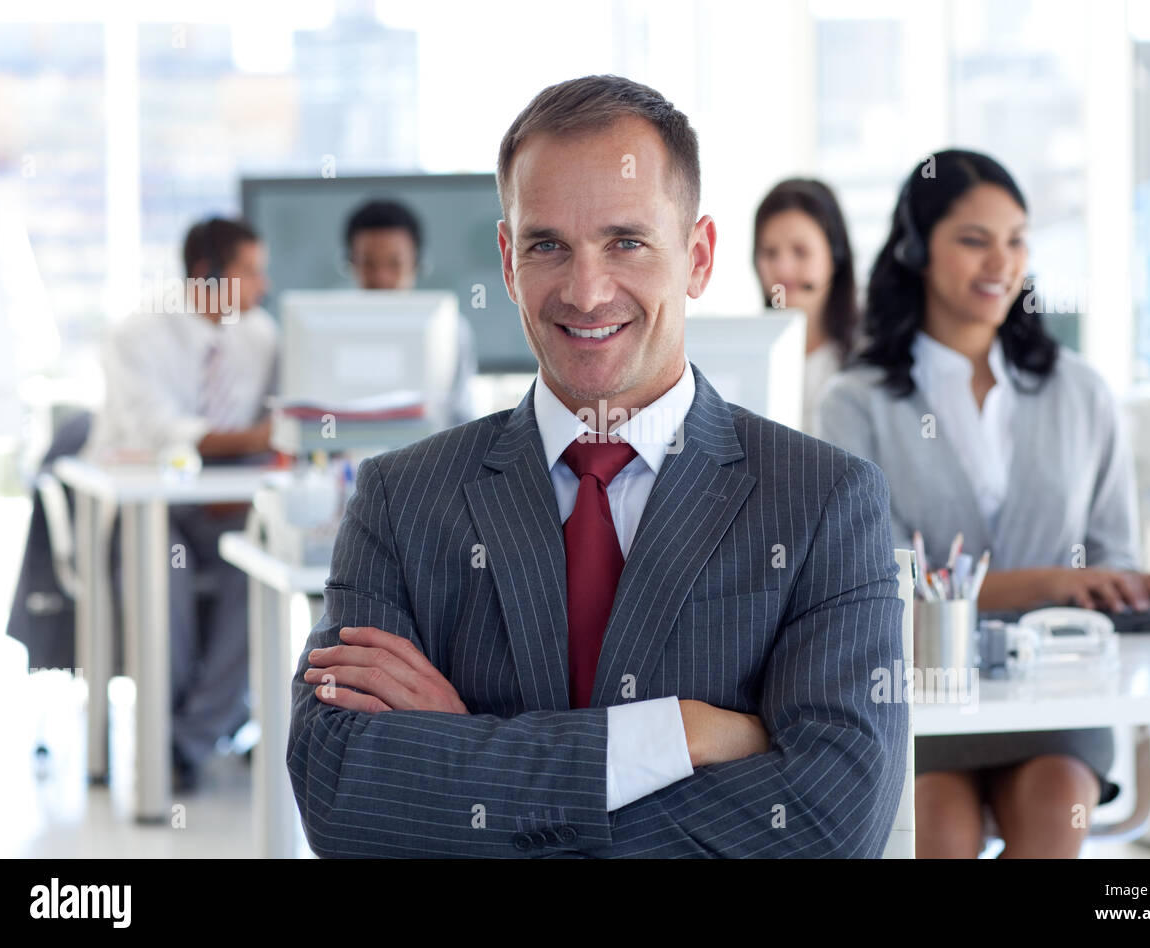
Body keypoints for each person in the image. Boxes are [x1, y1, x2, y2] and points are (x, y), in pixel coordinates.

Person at [287, 75, 907, 858]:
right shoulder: (399, 499)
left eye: (626, 241)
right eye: (549, 245)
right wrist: (671, 735)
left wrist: (470, 752)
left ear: (699, 256)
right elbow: (345, 796)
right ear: (510, 262)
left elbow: (830, 823)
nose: (586, 291)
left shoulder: (823, 502)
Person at [815, 150, 1150, 858]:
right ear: (917, 251)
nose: (1001, 262)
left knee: (1052, 822)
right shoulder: (854, 404)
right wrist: (1053, 583)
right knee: (943, 836)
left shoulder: (1081, 393)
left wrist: (1131, 587)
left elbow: (1112, 554)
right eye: (974, 239)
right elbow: (875, 589)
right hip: (923, 702)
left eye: (1016, 239)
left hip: (1058, 697)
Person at [85, 216, 278, 791]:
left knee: (259, 572)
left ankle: (185, 740)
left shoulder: (261, 335)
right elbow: (162, 433)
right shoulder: (134, 336)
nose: (262, 287)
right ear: (207, 275)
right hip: (151, 510)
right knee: (161, 575)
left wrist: (260, 453)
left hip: (226, 508)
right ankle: (173, 735)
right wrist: (259, 440)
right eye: (250, 272)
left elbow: (272, 422)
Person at [343, 198, 479, 425]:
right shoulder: (331, 324)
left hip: (432, 456)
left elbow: (462, 414)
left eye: (394, 264)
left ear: (417, 263)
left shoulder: (451, 329)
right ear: (350, 263)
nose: (381, 277)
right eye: (369, 264)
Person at [752, 178, 860, 432]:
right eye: (769, 252)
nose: (783, 269)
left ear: (835, 256)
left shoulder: (869, 356)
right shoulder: (747, 354)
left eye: (800, 251)